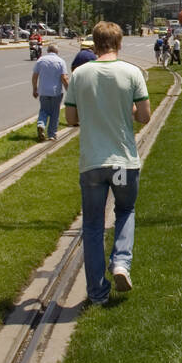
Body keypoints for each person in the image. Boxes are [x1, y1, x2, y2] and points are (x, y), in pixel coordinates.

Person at [64, 21, 151, 305]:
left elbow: (71, 119)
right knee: (125, 210)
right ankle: (121, 263)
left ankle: (97, 293)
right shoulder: (132, 73)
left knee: (92, 225)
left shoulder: (79, 75)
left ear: (94, 43)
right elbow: (144, 117)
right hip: (123, 163)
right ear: (119, 43)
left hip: (92, 164)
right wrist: (131, 108)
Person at [31, 42, 70, 141]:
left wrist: (35, 89)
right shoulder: (60, 61)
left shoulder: (41, 60)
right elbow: (64, 78)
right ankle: (52, 134)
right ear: (57, 51)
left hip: (43, 91)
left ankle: (41, 124)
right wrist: (69, 91)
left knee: (43, 110)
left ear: (48, 51)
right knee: (54, 113)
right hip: (55, 92)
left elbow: (35, 76)